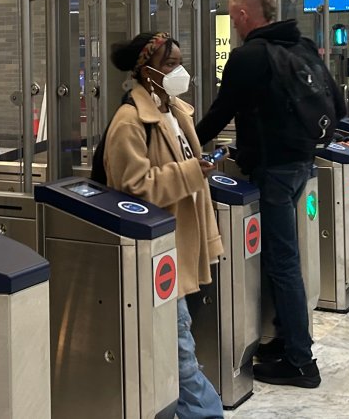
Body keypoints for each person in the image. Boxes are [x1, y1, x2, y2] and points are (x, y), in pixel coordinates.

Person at [196, 0, 345, 389]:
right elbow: (339, 106)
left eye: (232, 16)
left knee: (282, 261)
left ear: (243, 15)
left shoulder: (250, 56)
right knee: (283, 258)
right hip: (301, 164)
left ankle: (300, 360)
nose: (233, 23)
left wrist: (186, 147)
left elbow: (219, 112)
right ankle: (282, 340)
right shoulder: (301, 48)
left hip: (273, 169)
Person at [102, 32, 225, 418]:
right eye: (171, 65)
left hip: (181, 245)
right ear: (147, 70)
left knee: (179, 342)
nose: (180, 72)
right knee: (180, 347)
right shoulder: (130, 121)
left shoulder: (175, 112)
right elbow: (132, 188)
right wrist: (192, 173)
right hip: (159, 253)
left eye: (179, 63)